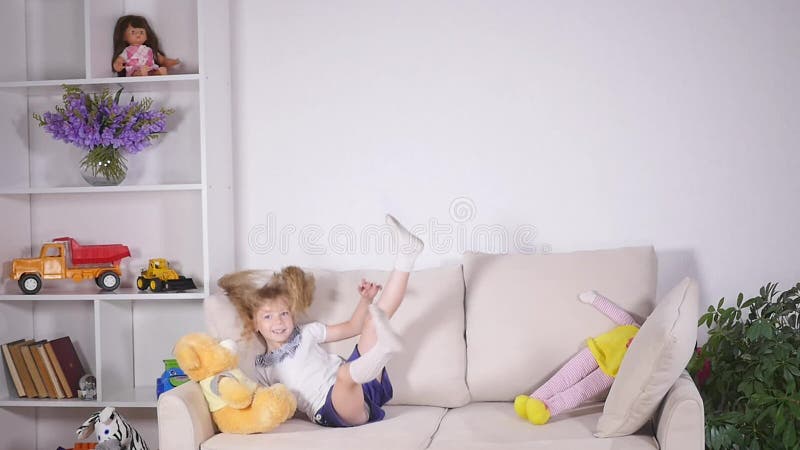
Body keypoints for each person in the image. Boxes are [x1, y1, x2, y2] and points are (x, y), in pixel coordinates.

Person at [219, 214, 424, 427]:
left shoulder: (307, 333)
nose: (278, 322)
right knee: (345, 375)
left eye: (284, 313)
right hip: (332, 408)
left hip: (362, 386)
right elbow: (265, 402)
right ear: (255, 325)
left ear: (292, 315)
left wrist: (366, 300)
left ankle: (406, 256)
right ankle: (384, 350)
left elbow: (354, 327)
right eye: (268, 317)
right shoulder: (263, 369)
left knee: (372, 321)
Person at [514, 291, 641, 424]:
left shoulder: (648, 349)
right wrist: (595, 299)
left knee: (579, 392)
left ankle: (548, 408)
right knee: (564, 377)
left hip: (610, 372)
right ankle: (534, 398)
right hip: (596, 351)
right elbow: (615, 312)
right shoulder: (632, 325)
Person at [112, 15, 180, 76]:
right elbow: (119, 60)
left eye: (141, 32)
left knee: (157, 69)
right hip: (134, 70)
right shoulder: (127, 50)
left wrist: (170, 62)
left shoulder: (149, 50)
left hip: (149, 69)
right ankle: (140, 73)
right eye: (133, 32)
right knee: (137, 71)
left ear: (147, 35)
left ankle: (158, 72)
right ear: (124, 37)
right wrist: (117, 65)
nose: (138, 35)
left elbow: (161, 59)